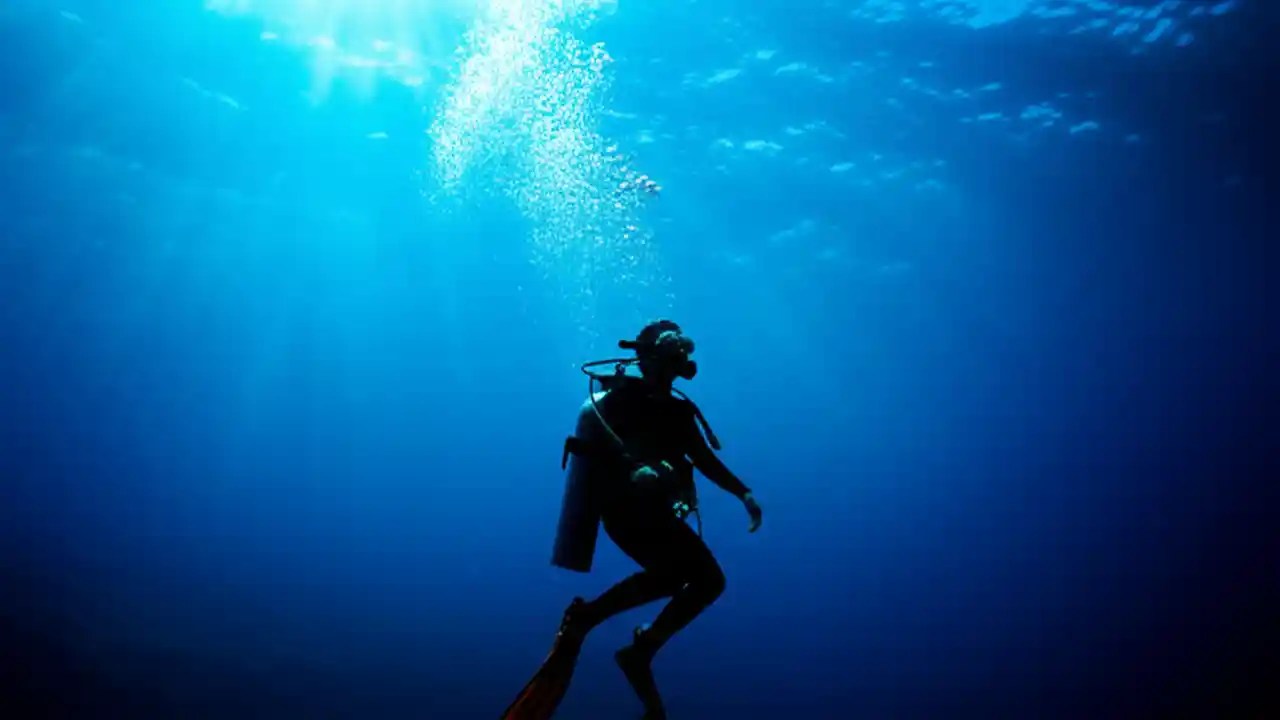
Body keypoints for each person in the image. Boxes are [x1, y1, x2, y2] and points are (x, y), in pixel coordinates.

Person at [501, 320, 762, 720]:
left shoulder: (678, 411)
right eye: (671, 353)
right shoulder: (620, 402)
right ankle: (621, 640)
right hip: (624, 510)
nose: (679, 361)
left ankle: (632, 646)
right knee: (698, 578)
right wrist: (633, 470)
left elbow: (704, 459)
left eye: (681, 354)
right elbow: (596, 450)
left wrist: (743, 492)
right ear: (648, 358)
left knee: (697, 580)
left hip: (654, 513)